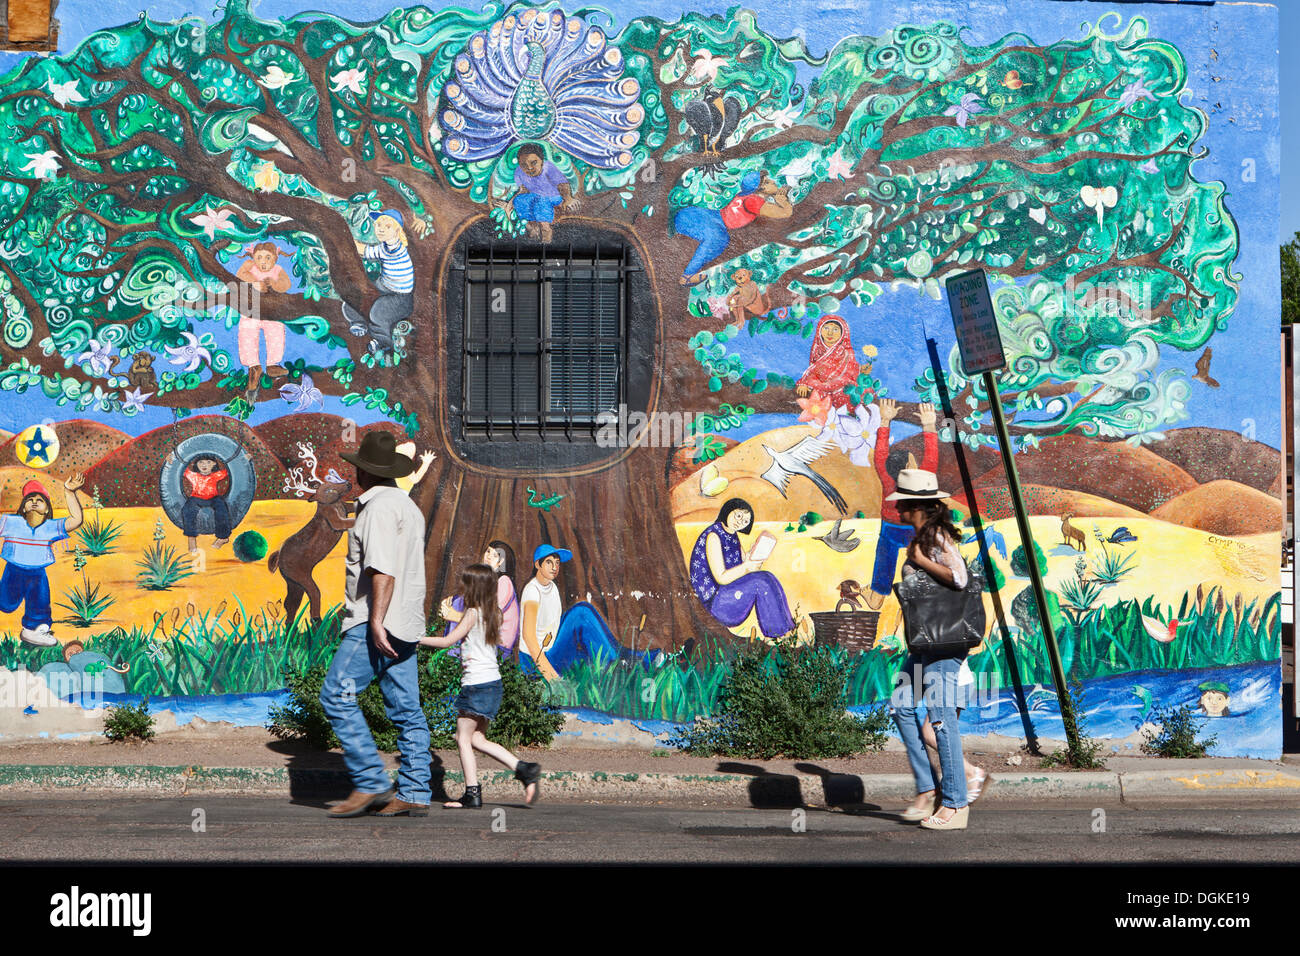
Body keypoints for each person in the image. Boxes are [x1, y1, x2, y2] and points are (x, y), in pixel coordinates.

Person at [319, 432, 431, 818]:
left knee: (337, 694)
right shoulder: (407, 506)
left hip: (375, 622)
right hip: (406, 624)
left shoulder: (378, 509)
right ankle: (415, 792)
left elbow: (382, 570)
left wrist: (377, 623)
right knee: (406, 709)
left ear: (362, 472)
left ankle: (371, 782)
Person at [888, 468, 973, 830]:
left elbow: (960, 577)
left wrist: (920, 561)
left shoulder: (934, 536)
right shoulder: (924, 535)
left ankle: (955, 805)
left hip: (943, 644)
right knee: (902, 705)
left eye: (902, 502)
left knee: (941, 720)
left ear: (916, 505)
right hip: (925, 642)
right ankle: (929, 788)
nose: (897, 508)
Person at [420, 563, 542, 808]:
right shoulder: (494, 613)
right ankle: (524, 769)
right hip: (492, 684)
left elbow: (447, 641)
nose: (463, 589)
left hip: (475, 685)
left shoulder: (474, 613)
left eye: (466, 584)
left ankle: (472, 793)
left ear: (474, 587)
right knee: (477, 739)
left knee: (462, 738)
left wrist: (416, 640)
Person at [518, 544, 656, 681]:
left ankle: (634, 658)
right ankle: (618, 667)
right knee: (581, 614)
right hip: (536, 662)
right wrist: (551, 676)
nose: (555, 567)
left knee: (585, 610)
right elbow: (528, 637)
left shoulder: (551, 587)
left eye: (557, 563)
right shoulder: (532, 591)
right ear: (537, 564)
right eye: (549, 562)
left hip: (552, 649)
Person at [865, 398, 939, 612]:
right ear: (909, 466)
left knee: (882, 573)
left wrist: (885, 420)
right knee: (925, 569)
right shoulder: (921, 480)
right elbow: (932, 457)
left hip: (890, 530)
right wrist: (929, 425)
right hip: (917, 531)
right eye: (912, 460)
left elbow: (880, 455)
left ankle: (877, 595)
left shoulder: (887, 478)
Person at [688, 498, 797, 640]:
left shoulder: (733, 535)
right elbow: (721, 577)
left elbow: (744, 563)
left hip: (726, 595)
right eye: (738, 516)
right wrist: (747, 567)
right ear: (728, 510)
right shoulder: (714, 536)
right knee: (761, 582)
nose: (740, 522)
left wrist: (753, 558)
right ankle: (779, 635)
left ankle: (786, 631)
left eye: (745, 521)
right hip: (714, 603)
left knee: (767, 577)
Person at [0, 475, 85, 646]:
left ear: (47, 509)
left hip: (38, 574)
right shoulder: (11, 522)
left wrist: (69, 492)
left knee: (40, 601)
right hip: (13, 572)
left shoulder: (50, 527)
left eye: (40, 500)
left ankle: (34, 630)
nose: (34, 502)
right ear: (23, 508)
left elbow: (77, 520)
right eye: (29, 499)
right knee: (5, 604)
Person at [672, 170, 793, 285]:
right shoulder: (753, 200)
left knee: (718, 238)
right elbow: (785, 213)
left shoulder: (745, 195)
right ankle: (687, 276)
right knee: (718, 239)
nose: (773, 182)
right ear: (761, 189)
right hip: (710, 219)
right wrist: (782, 200)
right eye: (767, 182)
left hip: (700, 215)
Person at [344, 209, 415, 361]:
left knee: (378, 313)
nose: (381, 229)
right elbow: (366, 251)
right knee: (357, 292)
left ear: (398, 230)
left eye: (387, 226)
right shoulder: (383, 247)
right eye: (378, 225)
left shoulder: (394, 248)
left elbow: (364, 250)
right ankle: (358, 321)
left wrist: (344, 237)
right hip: (385, 285)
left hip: (400, 296)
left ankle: (383, 343)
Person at [234, 242, 292, 400]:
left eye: (268, 257)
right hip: (250, 310)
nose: (263, 261)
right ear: (253, 257)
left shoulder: (278, 270)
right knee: (247, 335)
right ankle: (254, 366)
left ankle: (273, 364)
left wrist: (272, 283)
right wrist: (256, 282)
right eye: (259, 257)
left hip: (270, 311)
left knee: (276, 332)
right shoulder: (249, 266)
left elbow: (286, 284)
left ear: (275, 259)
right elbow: (239, 276)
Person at [441, 540, 520, 655]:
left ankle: (452, 656)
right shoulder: (487, 579)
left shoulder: (504, 582)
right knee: (458, 602)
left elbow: (489, 618)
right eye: (488, 551)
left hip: (498, 646)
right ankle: (452, 655)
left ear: (501, 561)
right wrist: (450, 603)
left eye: (495, 555)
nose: (488, 557)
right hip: (484, 637)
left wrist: (455, 615)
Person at [495, 143, 580, 243]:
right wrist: (510, 204)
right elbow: (523, 190)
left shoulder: (548, 167)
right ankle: (531, 227)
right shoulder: (518, 172)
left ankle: (546, 230)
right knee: (519, 200)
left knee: (541, 200)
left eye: (534, 162)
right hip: (534, 196)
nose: (529, 168)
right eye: (524, 165)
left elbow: (562, 184)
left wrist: (568, 198)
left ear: (542, 161)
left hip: (553, 196)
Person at [795, 316, 860, 412]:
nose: (830, 333)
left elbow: (849, 376)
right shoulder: (817, 350)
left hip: (840, 389)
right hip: (819, 387)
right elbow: (813, 373)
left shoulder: (847, 353)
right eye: (826, 328)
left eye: (835, 329)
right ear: (819, 330)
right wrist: (806, 383)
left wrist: (825, 385)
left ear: (843, 333)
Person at [178, 453, 233, 553]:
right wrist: (170, 459)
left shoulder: (216, 475)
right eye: (201, 462)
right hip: (196, 498)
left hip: (213, 498)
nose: (204, 465)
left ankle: (223, 537)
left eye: (208, 462)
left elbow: (231, 468)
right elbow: (179, 466)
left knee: (222, 508)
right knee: (188, 510)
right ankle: (191, 537)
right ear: (196, 464)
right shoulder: (192, 475)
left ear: (213, 465)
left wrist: (244, 459)